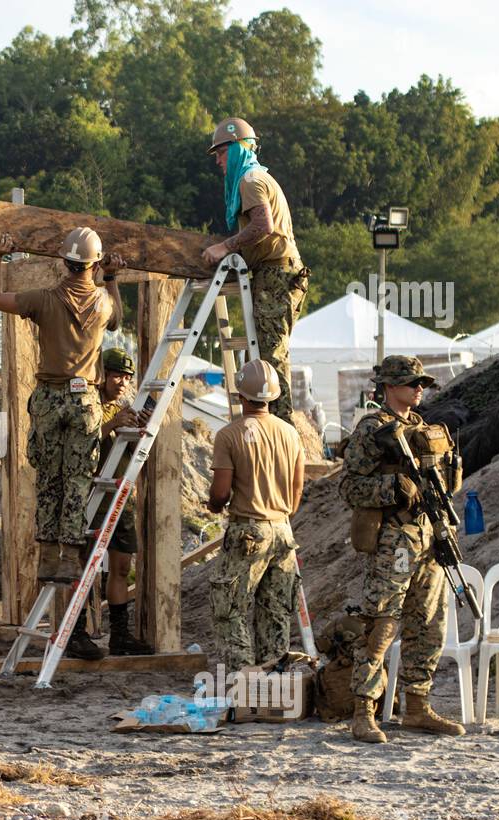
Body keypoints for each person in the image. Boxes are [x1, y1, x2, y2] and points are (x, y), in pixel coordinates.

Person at [0, 228, 126, 591]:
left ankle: (48, 555)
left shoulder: (43, 300)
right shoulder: (104, 303)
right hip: (85, 402)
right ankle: (70, 556)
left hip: (50, 397)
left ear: (65, 262)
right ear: (93, 264)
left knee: (50, 476)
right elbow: (118, 319)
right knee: (78, 478)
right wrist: (110, 279)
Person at [339, 355, 465, 743]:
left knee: (429, 623)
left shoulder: (423, 430)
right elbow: (349, 487)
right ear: (389, 387)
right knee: (381, 624)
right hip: (393, 539)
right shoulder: (372, 430)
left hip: (428, 535)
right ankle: (364, 711)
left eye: (421, 383)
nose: (419, 389)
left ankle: (417, 707)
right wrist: (392, 490)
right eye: (411, 383)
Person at [201, 118, 309, 425]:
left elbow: (264, 226)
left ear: (236, 149)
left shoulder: (250, 180)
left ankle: (280, 427)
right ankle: (273, 423)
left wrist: (226, 247)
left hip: (276, 273)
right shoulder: (256, 178)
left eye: (222, 153)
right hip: (274, 273)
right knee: (264, 354)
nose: (219, 161)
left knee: (270, 358)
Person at [207, 359, 305, 672]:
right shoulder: (290, 433)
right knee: (275, 612)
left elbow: (221, 492)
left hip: (247, 532)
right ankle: (274, 681)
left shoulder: (229, 435)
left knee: (230, 609)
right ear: (273, 396)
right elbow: (297, 489)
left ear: (240, 394)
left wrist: (214, 505)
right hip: (282, 531)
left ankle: (243, 680)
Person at [77, 347, 153, 657]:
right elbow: (83, 443)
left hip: (120, 498)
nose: (121, 382)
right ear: (102, 376)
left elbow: (132, 456)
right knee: (83, 569)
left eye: (126, 377)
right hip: (93, 496)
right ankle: (76, 633)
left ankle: (119, 635)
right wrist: (113, 423)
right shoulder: (89, 407)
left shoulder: (125, 409)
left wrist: (139, 432)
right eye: (115, 375)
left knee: (121, 566)